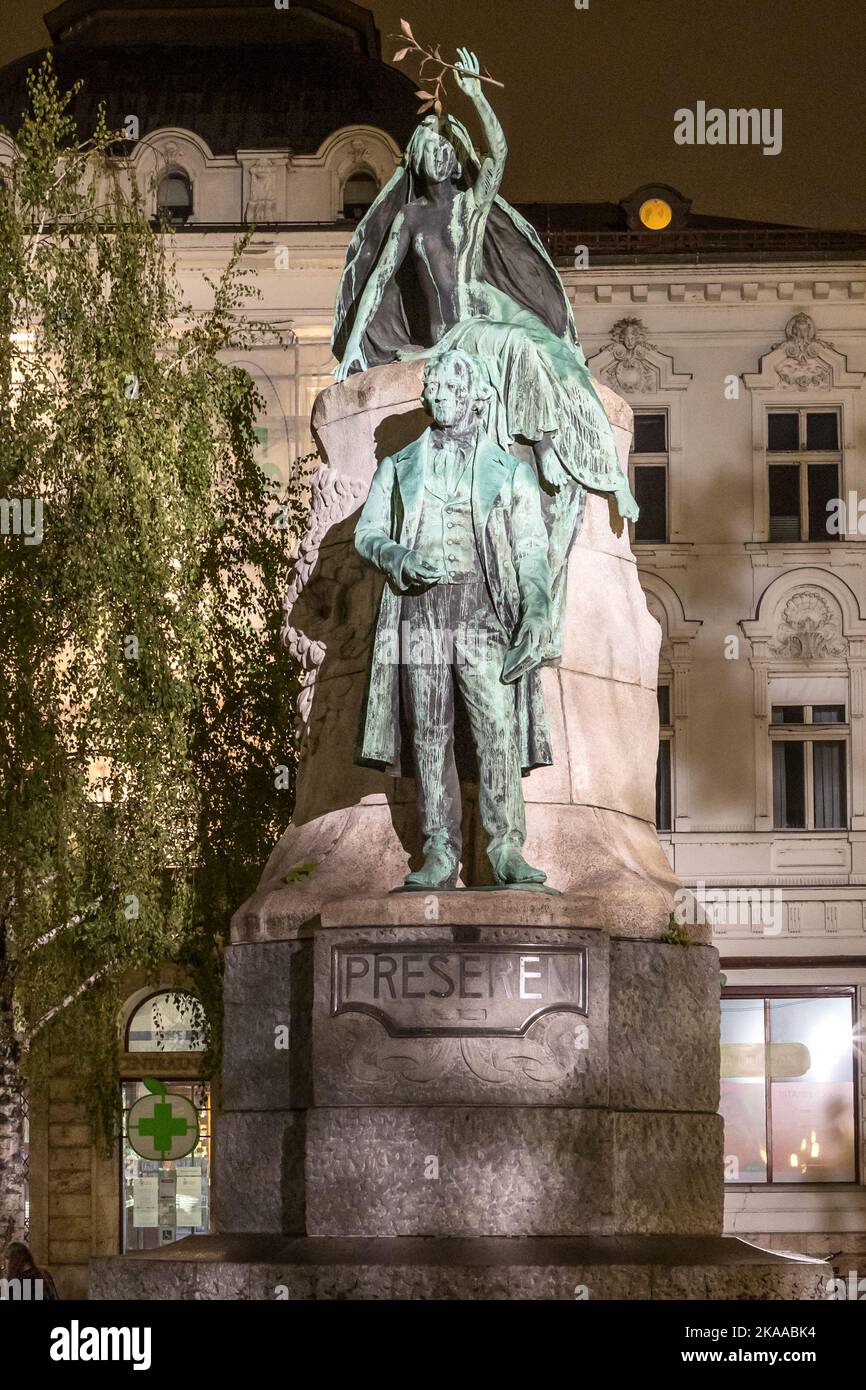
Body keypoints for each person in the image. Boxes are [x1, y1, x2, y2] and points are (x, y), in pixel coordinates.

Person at [333, 47, 639, 652]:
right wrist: (348, 351)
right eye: (435, 147)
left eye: (452, 148)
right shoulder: (412, 220)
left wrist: (475, 96)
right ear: (418, 158)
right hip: (458, 336)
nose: (445, 155)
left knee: (562, 360)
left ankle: (600, 468)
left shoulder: (469, 207)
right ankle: (550, 448)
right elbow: (373, 284)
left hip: (491, 314)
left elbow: (497, 154)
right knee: (524, 354)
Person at [354, 348, 552, 890]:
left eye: (447, 390)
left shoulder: (510, 472)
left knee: (498, 729)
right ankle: (439, 849)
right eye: (432, 390)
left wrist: (537, 609)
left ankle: (506, 847)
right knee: (430, 732)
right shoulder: (398, 466)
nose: (436, 399)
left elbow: (534, 552)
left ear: (473, 397)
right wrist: (398, 557)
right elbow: (367, 534)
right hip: (419, 612)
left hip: (482, 609)